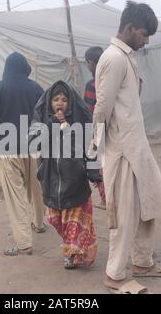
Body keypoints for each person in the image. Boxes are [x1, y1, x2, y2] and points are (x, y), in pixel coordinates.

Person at [92, 1, 161, 293]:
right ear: (129, 29)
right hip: (123, 151)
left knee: (145, 209)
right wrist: (98, 151)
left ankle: (142, 262)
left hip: (136, 148)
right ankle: (114, 274)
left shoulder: (126, 56)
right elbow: (102, 108)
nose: (146, 40)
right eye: (143, 34)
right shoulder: (113, 58)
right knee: (125, 215)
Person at [30, 81, 100, 269]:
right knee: (54, 219)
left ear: (69, 103)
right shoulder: (43, 120)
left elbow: (89, 148)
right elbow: (34, 143)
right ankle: (74, 248)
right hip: (51, 183)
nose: (59, 103)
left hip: (75, 181)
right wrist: (51, 125)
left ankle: (70, 254)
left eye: (63, 99)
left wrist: (94, 172)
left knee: (73, 222)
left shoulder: (77, 121)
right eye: (55, 99)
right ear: (49, 102)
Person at [0, 52, 47, 256]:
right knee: (36, 188)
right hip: (34, 147)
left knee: (16, 195)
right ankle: (39, 223)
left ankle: (24, 243)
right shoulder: (35, 88)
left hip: (9, 149)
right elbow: (46, 117)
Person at [84, 46, 106, 209]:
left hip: (99, 132)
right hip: (115, 129)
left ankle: (106, 199)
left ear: (91, 63)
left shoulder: (92, 85)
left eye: (87, 63)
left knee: (98, 168)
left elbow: (89, 112)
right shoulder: (110, 80)